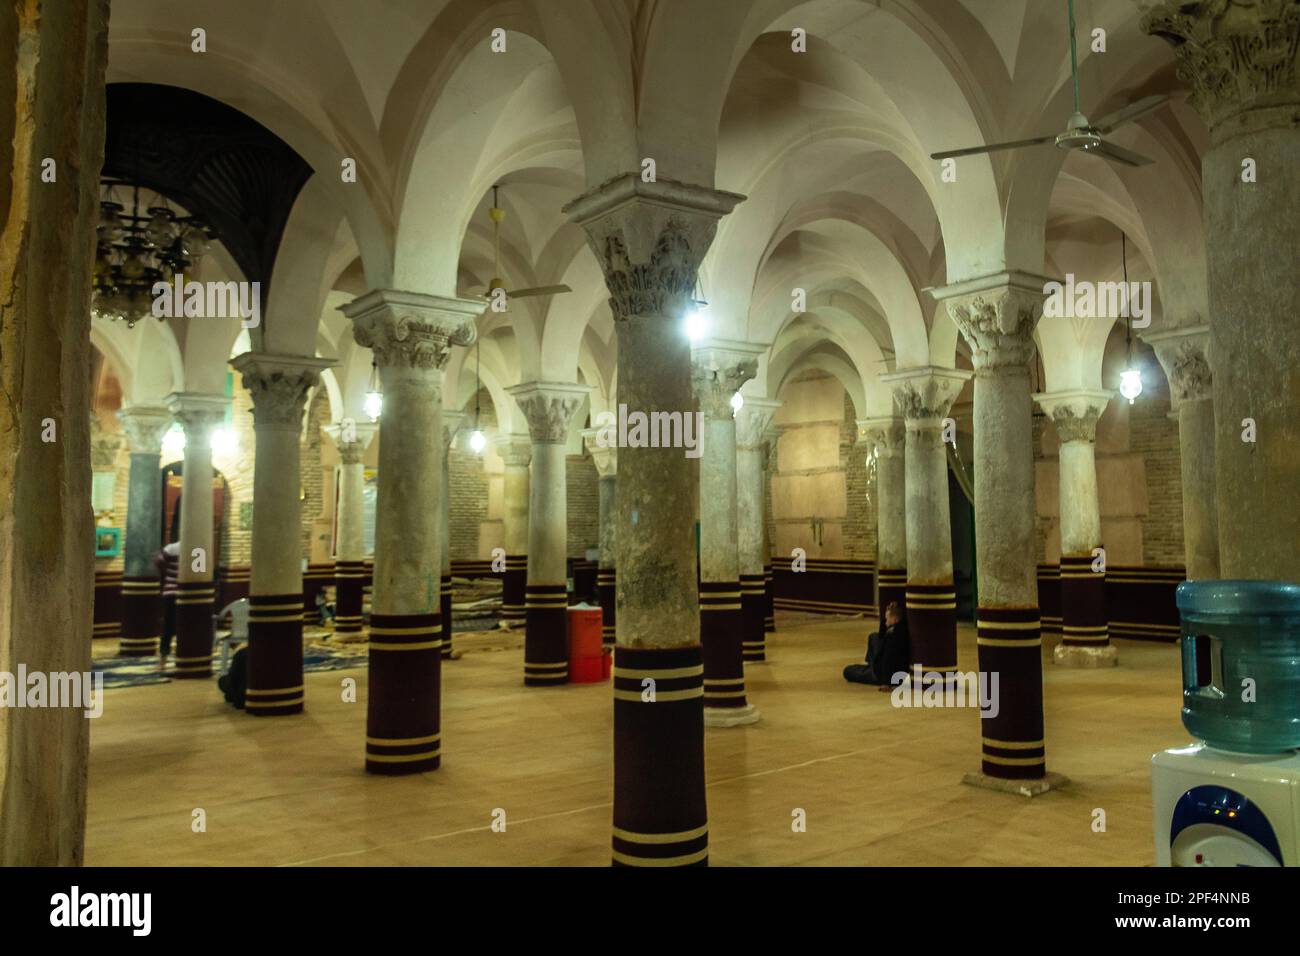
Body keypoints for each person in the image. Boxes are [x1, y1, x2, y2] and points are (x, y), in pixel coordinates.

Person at [843, 600, 910, 687]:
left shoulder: (893, 635)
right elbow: (881, 634)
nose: (886, 621)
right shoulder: (900, 626)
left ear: (894, 620)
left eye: (887, 619)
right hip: (887, 668)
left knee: (848, 670)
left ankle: (873, 670)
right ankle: (872, 666)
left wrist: (886, 682)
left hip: (885, 675)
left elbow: (888, 658)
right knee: (873, 636)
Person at [152, 540, 180, 673]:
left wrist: (168, 574)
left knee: (168, 628)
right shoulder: (199, 549)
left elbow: (158, 562)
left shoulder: (171, 548)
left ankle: (162, 662)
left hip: (171, 593)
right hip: (191, 594)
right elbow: (199, 571)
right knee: (188, 627)